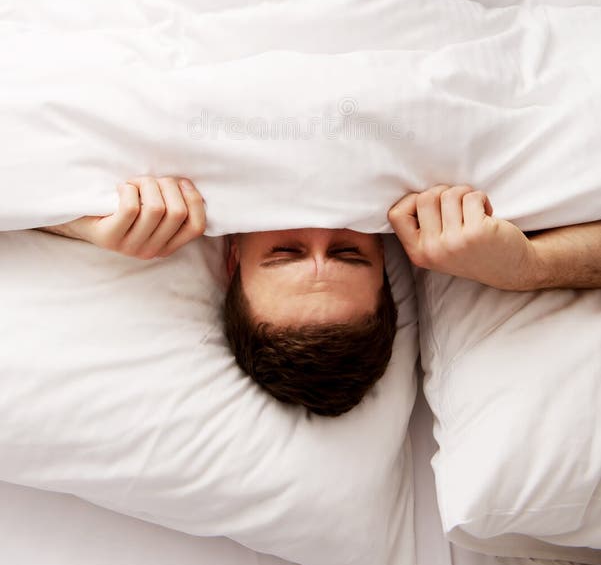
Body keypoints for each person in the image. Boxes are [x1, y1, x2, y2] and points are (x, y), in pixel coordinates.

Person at [37, 177, 601, 417]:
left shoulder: (157, 198)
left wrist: (86, 227)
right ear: (388, 264)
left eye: (282, 252)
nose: (317, 228)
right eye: (350, 254)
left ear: (232, 259)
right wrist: (530, 266)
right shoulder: (463, 208)